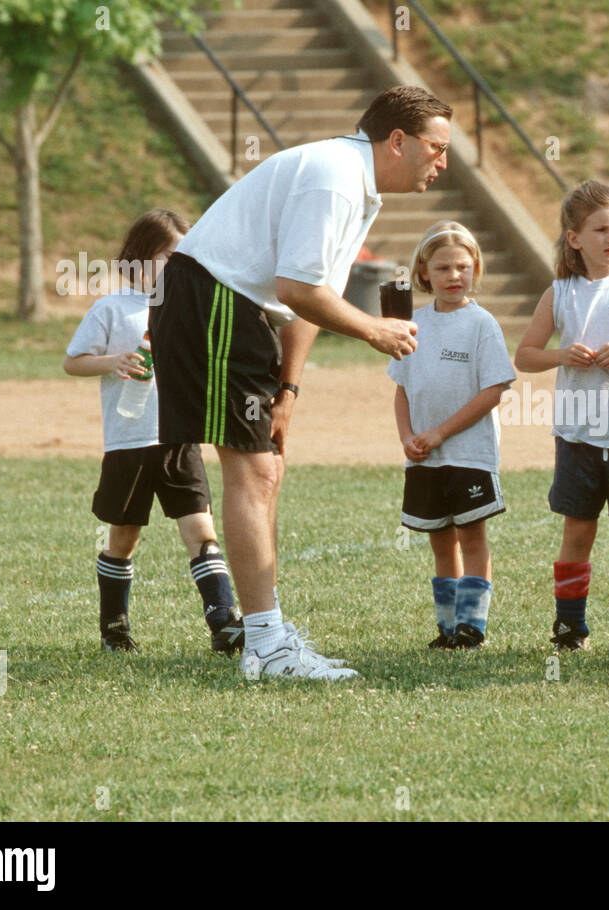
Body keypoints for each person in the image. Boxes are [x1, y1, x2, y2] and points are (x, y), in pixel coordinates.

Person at [148, 86, 451, 680]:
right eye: (437, 148)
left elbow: (314, 298)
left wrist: (287, 392)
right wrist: (374, 331)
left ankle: (269, 635)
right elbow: (295, 290)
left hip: (238, 308)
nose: (443, 162)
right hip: (212, 301)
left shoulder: (357, 186)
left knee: (268, 468)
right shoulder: (333, 176)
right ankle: (265, 644)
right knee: (253, 470)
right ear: (398, 141)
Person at [64, 209, 242, 654]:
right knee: (123, 539)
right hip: (128, 444)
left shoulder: (185, 308)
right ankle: (115, 630)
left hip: (177, 439)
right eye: (169, 255)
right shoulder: (112, 307)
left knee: (201, 531)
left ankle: (224, 624)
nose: (176, 266)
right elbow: (74, 361)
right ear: (139, 255)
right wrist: (113, 362)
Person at [514, 180, 609, 653]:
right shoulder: (561, 291)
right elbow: (525, 355)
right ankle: (569, 629)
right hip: (578, 432)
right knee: (578, 529)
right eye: (601, 229)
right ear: (574, 238)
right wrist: (561, 356)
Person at [389, 221, 515, 650]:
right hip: (425, 457)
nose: (454, 276)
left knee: (472, 538)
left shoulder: (482, 324)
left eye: (463, 266)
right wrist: (408, 436)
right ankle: (446, 628)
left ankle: (472, 628)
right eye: (442, 268)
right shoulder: (411, 324)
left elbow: (494, 390)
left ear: (476, 268)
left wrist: (441, 432)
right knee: (440, 541)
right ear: (424, 273)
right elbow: (402, 390)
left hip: (468, 455)